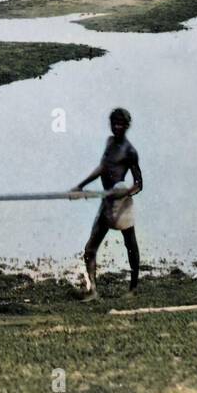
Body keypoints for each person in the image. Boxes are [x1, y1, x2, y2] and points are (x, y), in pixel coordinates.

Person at [74, 108, 143, 298]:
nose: (117, 127)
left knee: (130, 244)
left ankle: (133, 288)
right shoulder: (110, 142)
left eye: (121, 124)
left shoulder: (130, 151)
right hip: (107, 202)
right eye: (114, 123)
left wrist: (124, 192)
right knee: (90, 248)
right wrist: (80, 186)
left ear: (127, 126)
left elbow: (139, 184)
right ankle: (92, 289)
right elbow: (102, 168)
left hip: (122, 205)